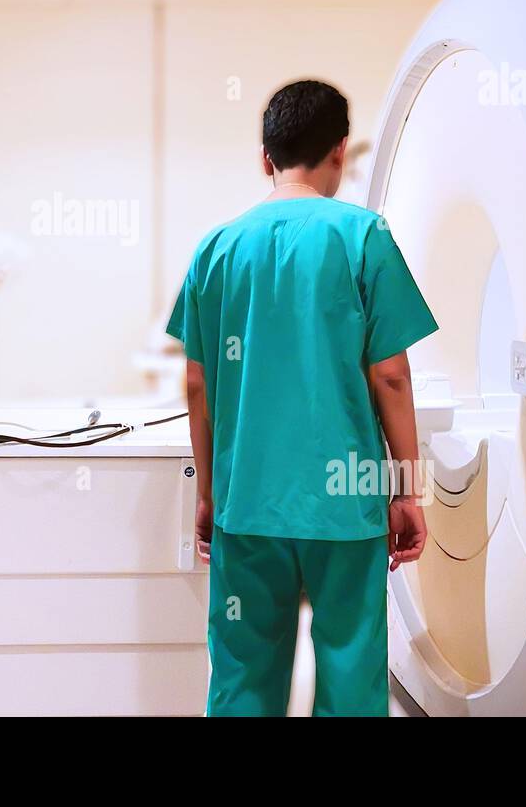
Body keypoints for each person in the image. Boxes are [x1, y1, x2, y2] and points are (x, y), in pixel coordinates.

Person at [166, 78, 437, 717]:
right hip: (346, 501)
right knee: (350, 671)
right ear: (340, 151)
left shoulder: (217, 248)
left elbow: (197, 384)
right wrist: (405, 490)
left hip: (249, 498)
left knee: (243, 677)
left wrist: (209, 492)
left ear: (267, 158)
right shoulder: (363, 236)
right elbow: (392, 376)